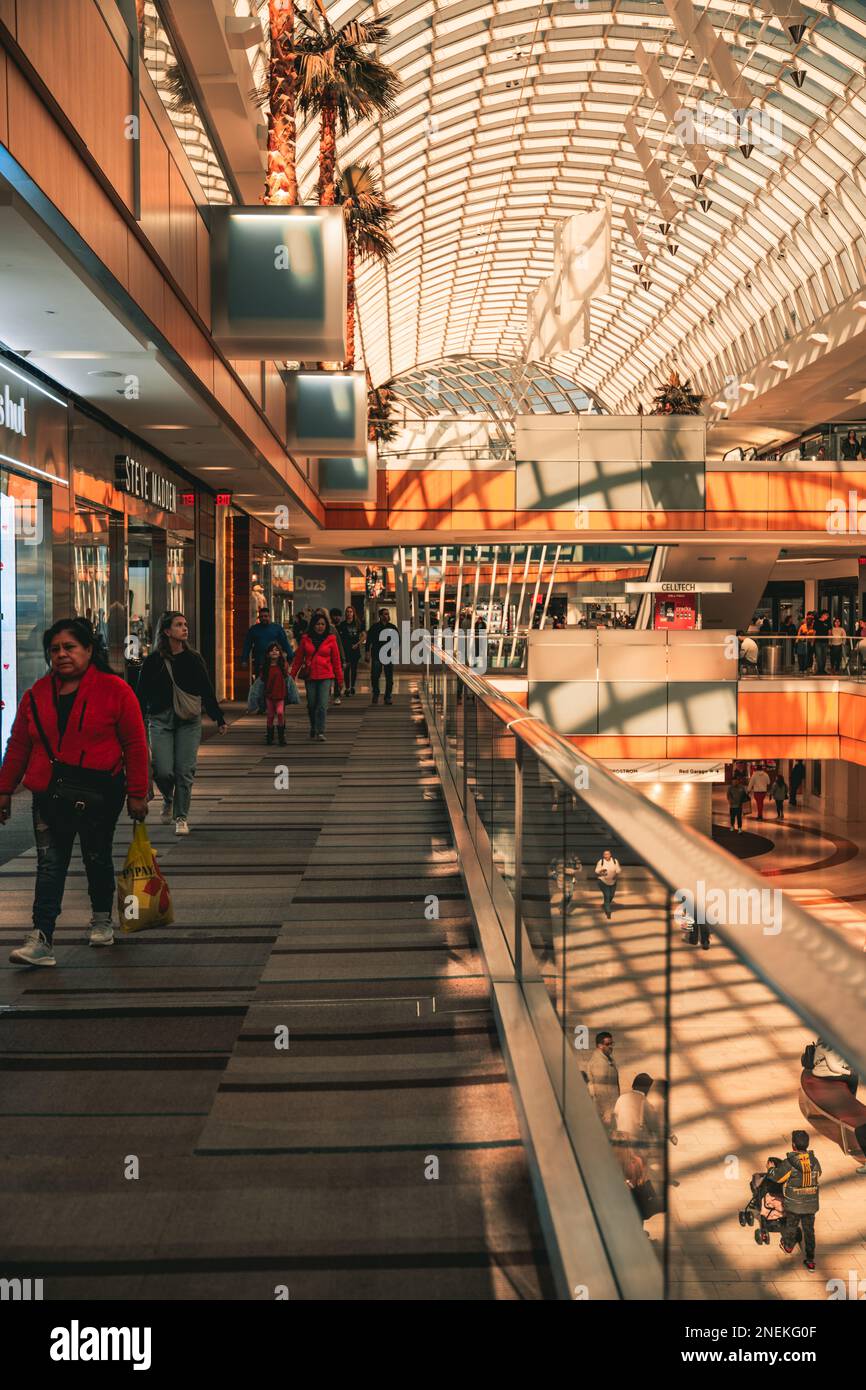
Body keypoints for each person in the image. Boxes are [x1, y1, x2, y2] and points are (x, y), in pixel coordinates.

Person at [0, 618, 149, 966]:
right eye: (55, 649)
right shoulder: (36, 694)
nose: (62, 655)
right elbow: (19, 744)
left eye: (70, 647)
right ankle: (41, 937)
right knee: (50, 864)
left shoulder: (115, 690)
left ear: (89, 650)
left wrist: (138, 792)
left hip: (100, 791)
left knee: (96, 856)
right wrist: (4, 789)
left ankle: (101, 918)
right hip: (50, 793)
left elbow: (135, 743)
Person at [136, 611, 227, 835]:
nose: (185, 628)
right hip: (160, 719)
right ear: (167, 631)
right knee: (163, 770)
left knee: (185, 770)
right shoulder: (153, 660)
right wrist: (135, 720)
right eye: (179, 625)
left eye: (185, 624)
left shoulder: (193, 658)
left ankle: (181, 816)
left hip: (189, 720)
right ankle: (168, 797)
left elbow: (206, 689)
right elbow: (141, 693)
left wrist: (219, 718)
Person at [771, 1131, 822, 1271]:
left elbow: (777, 1178)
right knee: (809, 1230)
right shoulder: (814, 1161)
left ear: (793, 1145)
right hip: (811, 1203)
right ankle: (810, 1260)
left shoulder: (789, 1163)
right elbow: (819, 1173)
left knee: (792, 1225)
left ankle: (788, 1246)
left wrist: (770, 1168)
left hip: (794, 1203)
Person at [291, 611, 343, 742]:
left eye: (323, 624)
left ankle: (320, 731)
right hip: (310, 676)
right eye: (318, 624)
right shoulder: (305, 639)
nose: (320, 626)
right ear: (313, 625)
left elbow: (336, 661)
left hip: (326, 676)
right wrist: (292, 676)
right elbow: (298, 659)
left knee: (322, 705)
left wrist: (340, 679)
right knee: (312, 704)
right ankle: (313, 726)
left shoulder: (331, 639)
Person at [240, 607, 292, 678]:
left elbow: (284, 643)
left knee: (274, 682)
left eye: (265, 616)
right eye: (261, 616)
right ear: (259, 618)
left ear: (269, 617)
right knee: (260, 682)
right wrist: (244, 659)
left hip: (275, 661)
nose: (263, 618)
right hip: (260, 661)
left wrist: (290, 656)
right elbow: (247, 645)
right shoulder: (254, 629)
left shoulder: (277, 628)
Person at [366, 607, 399, 706]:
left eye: (387, 614)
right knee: (375, 676)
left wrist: (394, 650)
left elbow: (398, 640)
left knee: (389, 677)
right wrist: (367, 653)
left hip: (388, 655)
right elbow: (368, 641)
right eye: (385, 614)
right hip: (376, 654)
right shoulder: (374, 627)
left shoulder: (392, 627)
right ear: (380, 616)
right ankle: (376, 693)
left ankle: (388, 696)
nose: (387, 616)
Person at [586, 1031, 620, 1128]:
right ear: (599, 1046)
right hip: (606, 1113)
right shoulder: (599, 1063)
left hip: (611, 1110)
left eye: (612, 1043)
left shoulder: (607, 1059)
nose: (611, 1046)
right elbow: (600, 1090)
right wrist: (607, 1112)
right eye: (607, 1044)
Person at [611, 1073, 653, 1142]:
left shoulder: (621, 1098)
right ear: (646, 1088)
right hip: (636, 1141)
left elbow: (615, 1116)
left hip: (621, 1138)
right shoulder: (644, 1101)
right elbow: (653, 1123)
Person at [262, 641, 290, 746]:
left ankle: (281, 736)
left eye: (277, 650)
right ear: (268, 653)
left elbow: (287, 677)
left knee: (280, 713)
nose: (274, 652)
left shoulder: (283, 665)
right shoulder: (265, 667)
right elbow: (262, 680)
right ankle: (270, 736)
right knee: (270, 715)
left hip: (280, 695)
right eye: (272, 650)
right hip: (269, 695)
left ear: (280, 653)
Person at [338, 605, 364, 696]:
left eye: (350, 612)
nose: (349, 613)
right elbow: (339, 638)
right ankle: (347, 687)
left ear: (353, 613)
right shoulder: (342, 625)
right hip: (346, 650)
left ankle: (352, 686)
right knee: (346, 669)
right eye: (347, 612)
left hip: (355, 650)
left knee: (354, 669)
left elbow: (364, 635)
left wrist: (358, 644)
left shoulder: (358, 624)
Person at [328, 608, 346, 706]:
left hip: (338, 655)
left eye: (338, 615)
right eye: (335, 615)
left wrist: (343, 658)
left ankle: (337, 695)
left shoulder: (340, 627)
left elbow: (340, 644)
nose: (337, 617)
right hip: (329, 656)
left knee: (338, 676)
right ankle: (328, 695)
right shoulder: (329, 628)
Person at [595, 848, 620, 918]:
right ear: (603, 855)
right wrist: (601, 870)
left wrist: (616, 874)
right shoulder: (601, 861)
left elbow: (618, 869)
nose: (606, 855)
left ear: (610, 855)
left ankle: (606, 905)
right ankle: (608, 911)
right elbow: (596, 870)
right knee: (607, 895)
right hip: (603, 881)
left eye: (607, 854)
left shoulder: (615, 861)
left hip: (613, 881)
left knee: (611, 895)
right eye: (605, 854)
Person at [814, 609, 831, 675]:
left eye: (828, 615)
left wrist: (829, 641)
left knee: (824, 656)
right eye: (827, 615)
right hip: (818, 641)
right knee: (819, 656)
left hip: (825, 642)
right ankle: (819, 670)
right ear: (823, 615)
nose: (827, 616)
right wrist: (813, 641)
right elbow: (814, 632)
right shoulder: (817, 622)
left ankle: (822, 670)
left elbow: (829, 632)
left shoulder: (828, 622)